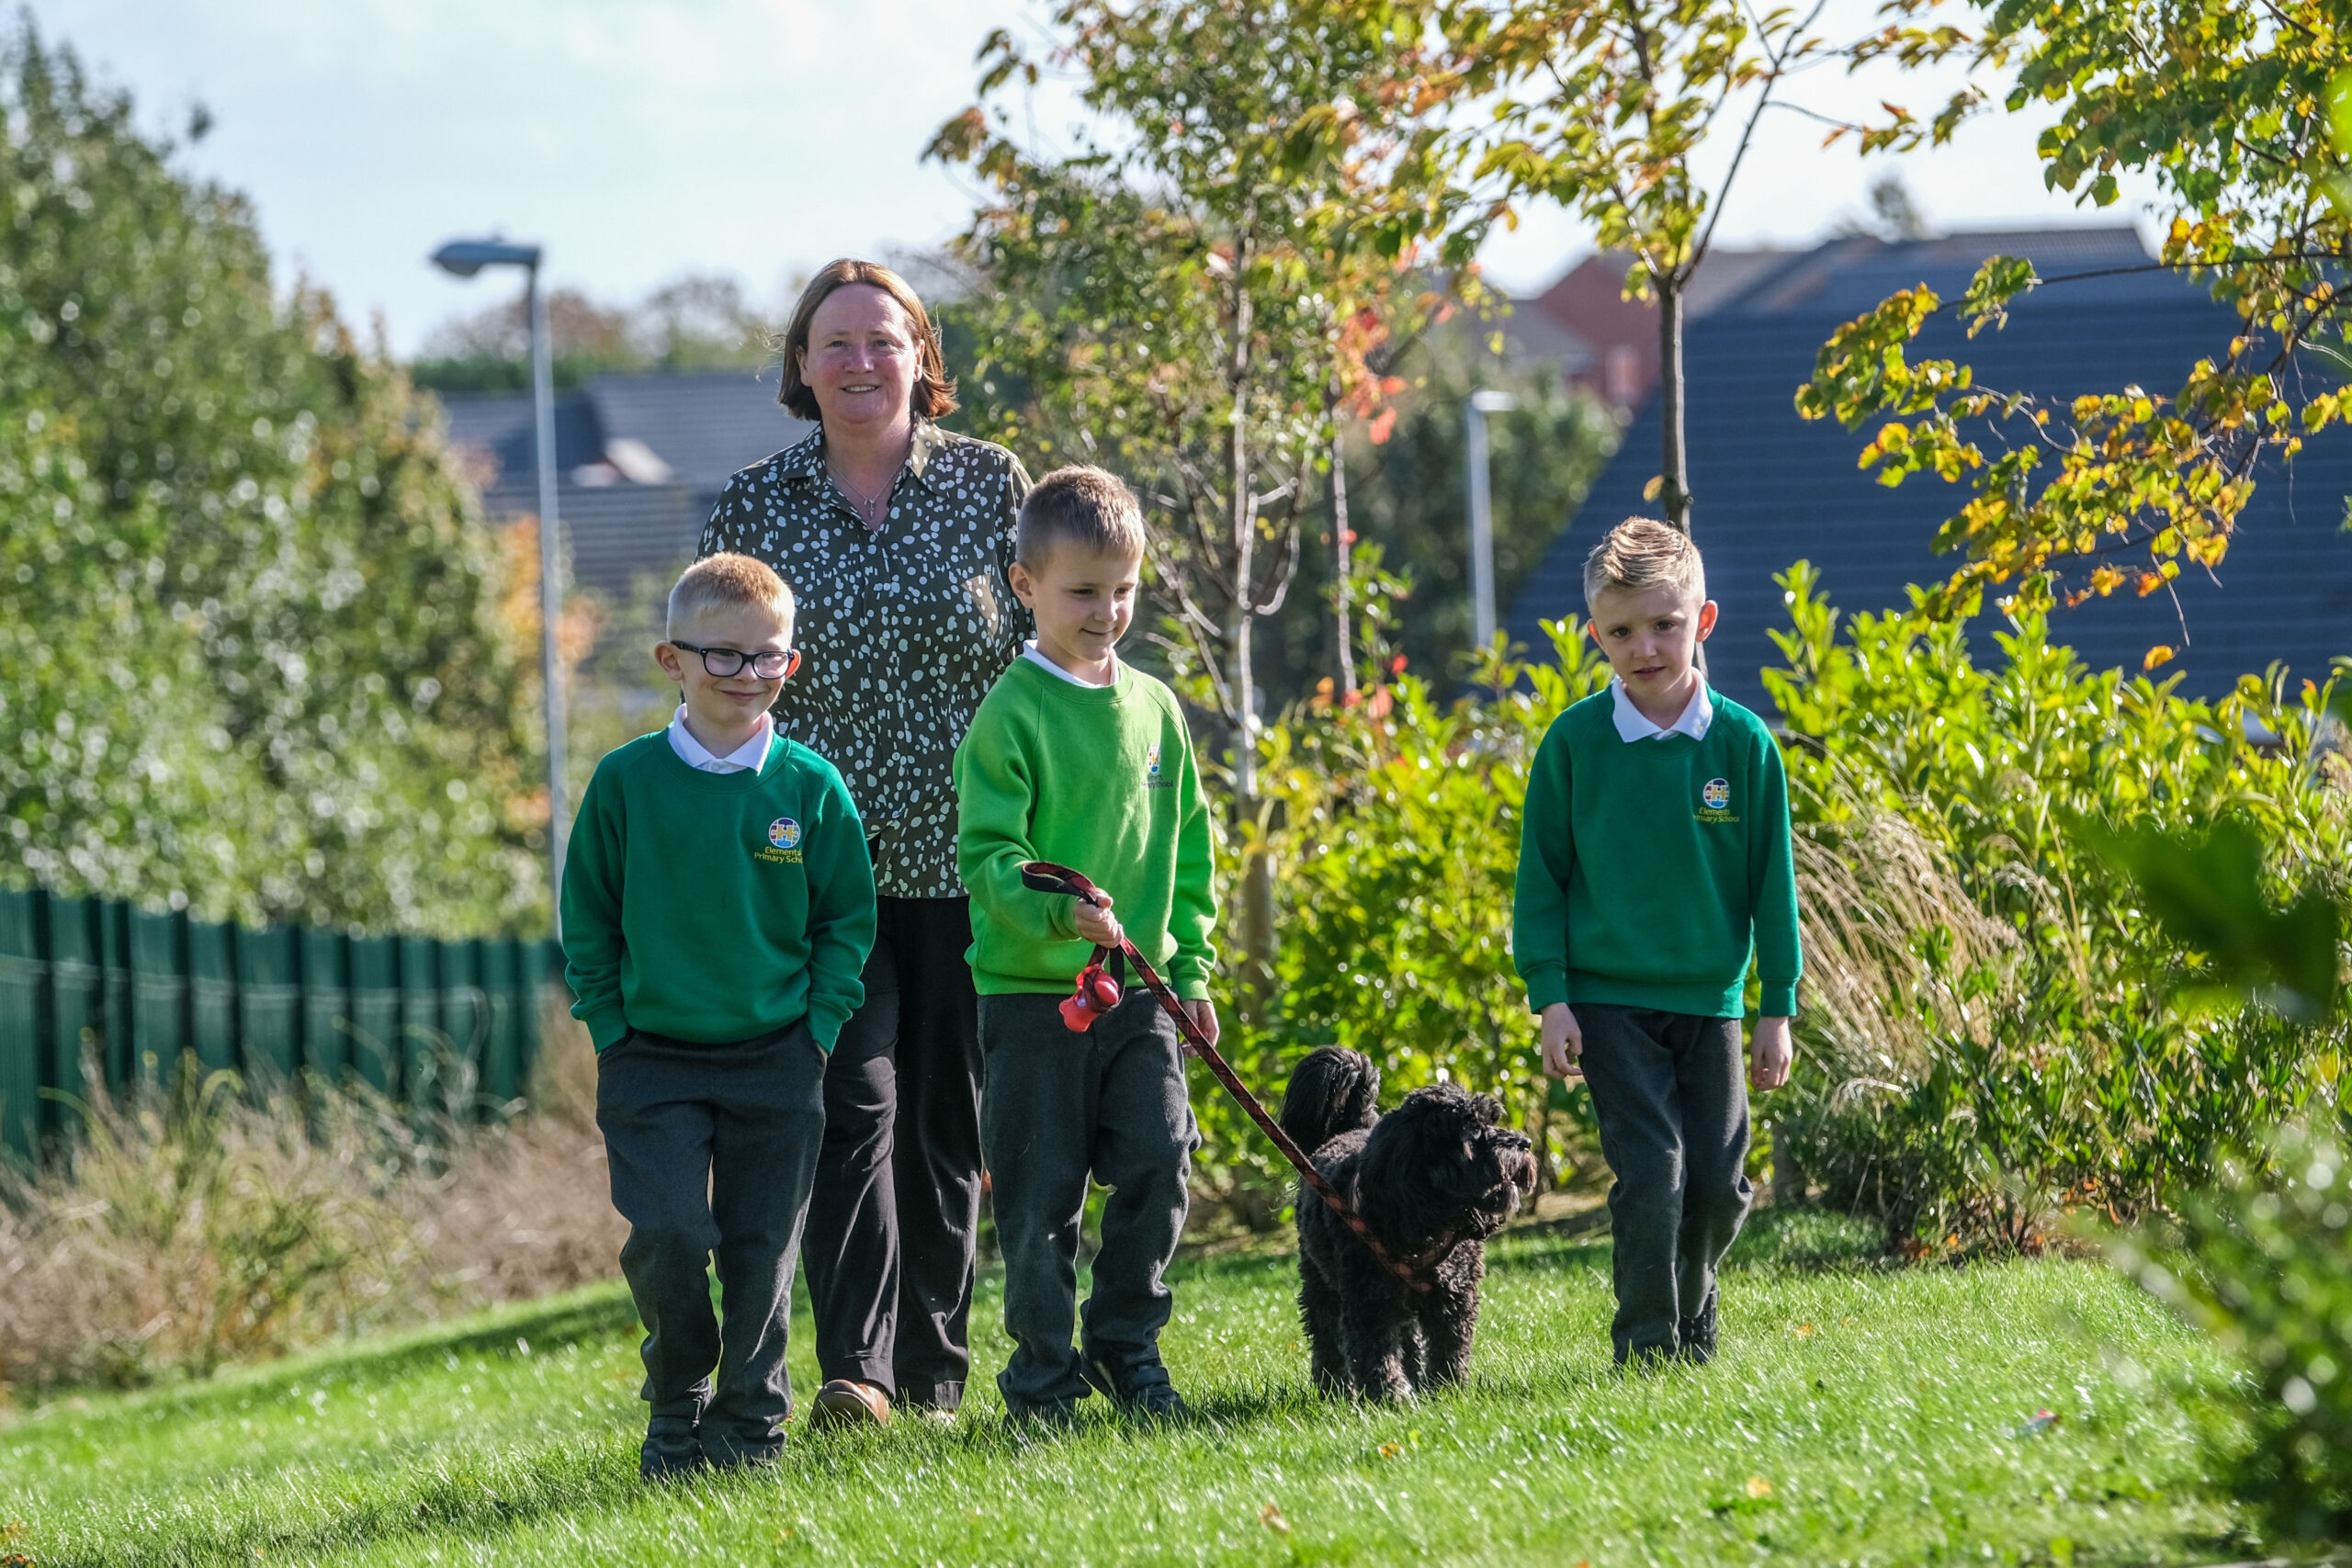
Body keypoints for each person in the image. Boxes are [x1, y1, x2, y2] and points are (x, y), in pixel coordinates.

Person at [698, 258, 1031, 1427]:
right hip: (815, 870)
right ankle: (861, 1374)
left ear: (921, 356)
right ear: (800, 365)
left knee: (945, 1122)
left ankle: (935, 1377)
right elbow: (716, 678)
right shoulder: (754, 507)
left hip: (969, 859)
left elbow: (1040, 663)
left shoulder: (992, 486)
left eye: (881, 340)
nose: (858, 361)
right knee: (852, 1107)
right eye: (833, 342)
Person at [561, 552, 876, 1476]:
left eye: (767, 657)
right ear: (673, 661)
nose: (747, 676)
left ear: (791, 664)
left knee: (759, 1254)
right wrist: (610, 1030)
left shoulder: (810, 788)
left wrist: (817, 1030)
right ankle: (678, 1402)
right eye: (723, 657)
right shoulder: (626, 783)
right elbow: (588, 917)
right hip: (651, 1061)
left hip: (777, 1057)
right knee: (667, 1237)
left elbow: (845, 924)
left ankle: (749, 1425)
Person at [955, 465, 1217, 1426]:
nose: (1106, 611)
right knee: (1040, 1204)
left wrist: (1188, 967)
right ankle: (1041, 1376)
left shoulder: (1154, 709)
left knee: (1158, 1161)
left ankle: (1126, 1346)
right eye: (1081, 592)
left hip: (1138, 997)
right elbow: (989, 858)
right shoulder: (1010, 715)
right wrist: (1061, 914)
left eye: (1123, 590)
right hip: (1031, 999)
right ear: (1027, 587)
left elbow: (1187, 849)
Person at [1510, 516, 1801, 1368]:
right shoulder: (1574, 745)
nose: (1644, 647)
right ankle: (1646, 1343)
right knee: (1654, 1173)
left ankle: (1693, 1296)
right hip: (1607, 1002)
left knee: (1718, 1186)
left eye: (1664, 625)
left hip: (1709, 1002)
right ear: (1596, 633)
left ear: (1702, 622)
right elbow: (1543, 881)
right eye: (1622, 631)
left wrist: (1775, 1006)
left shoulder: (1744, 745)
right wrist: (1551, 993)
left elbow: (1771, 887)